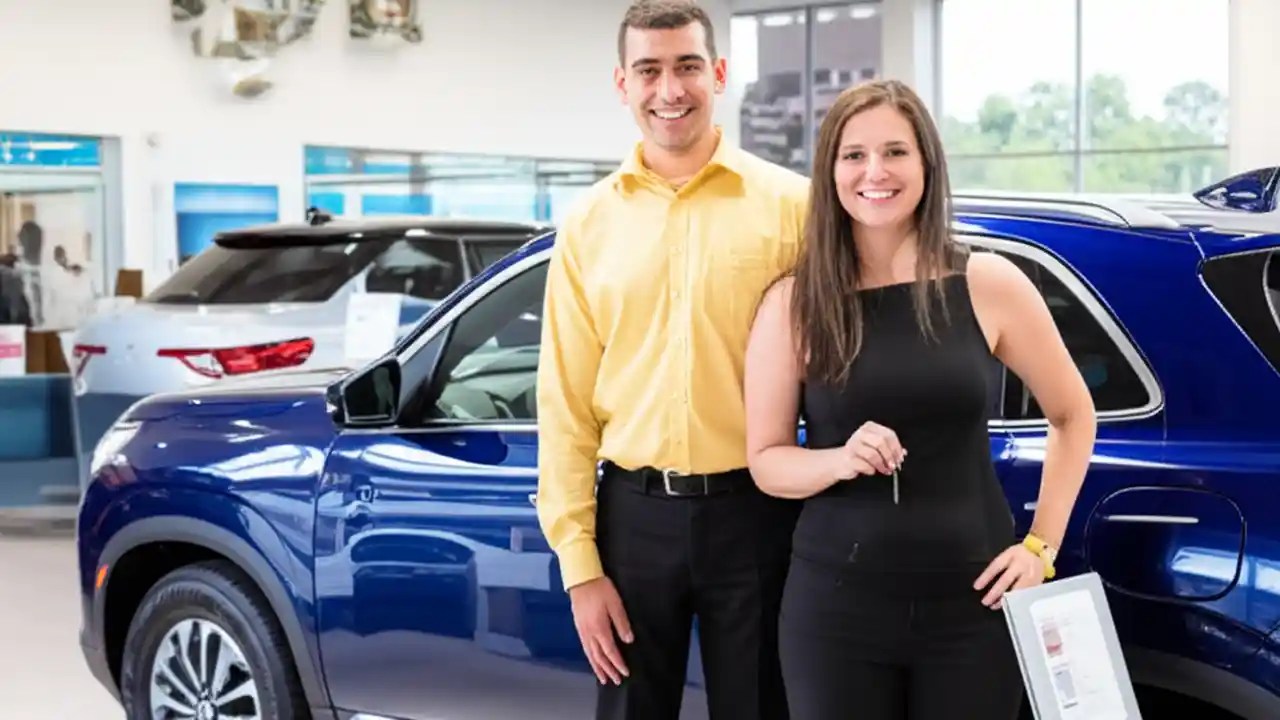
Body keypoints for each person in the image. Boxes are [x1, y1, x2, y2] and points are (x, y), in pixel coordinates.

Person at [743, 79, 1097, 719]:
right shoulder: (793, 304)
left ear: (927, 165)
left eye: (895, 152)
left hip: (973, 606)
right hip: (835, 613)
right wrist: (838, 459)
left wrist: (1041, 548)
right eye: (853, 155)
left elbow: (1074, 416)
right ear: (829, 172)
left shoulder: (988, 283)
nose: (874, 172)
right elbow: (766, 460)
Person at [535, 1, 810, 718]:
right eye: (649, 70)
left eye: (688, 66)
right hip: (633, 519)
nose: (670, 89)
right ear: (621, 83)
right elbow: (563, 403)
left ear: (718, 73)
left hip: (758, 514)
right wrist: (580, 568)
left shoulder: (791, 208)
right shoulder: (589, 223)